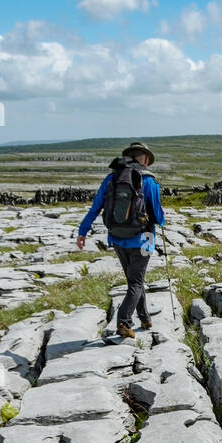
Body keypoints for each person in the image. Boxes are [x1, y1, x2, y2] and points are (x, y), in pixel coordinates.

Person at [76, 141, 166, 338]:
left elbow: (96, 206)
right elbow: (158, 216)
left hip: (117, 238)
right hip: (144, 238)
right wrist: (162, 220)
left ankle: (144, 318)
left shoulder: (111, 178)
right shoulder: (149, 180)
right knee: (136, 282)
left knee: (135, 280)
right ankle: (124, 322)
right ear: (144, 159)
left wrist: (83, 231)